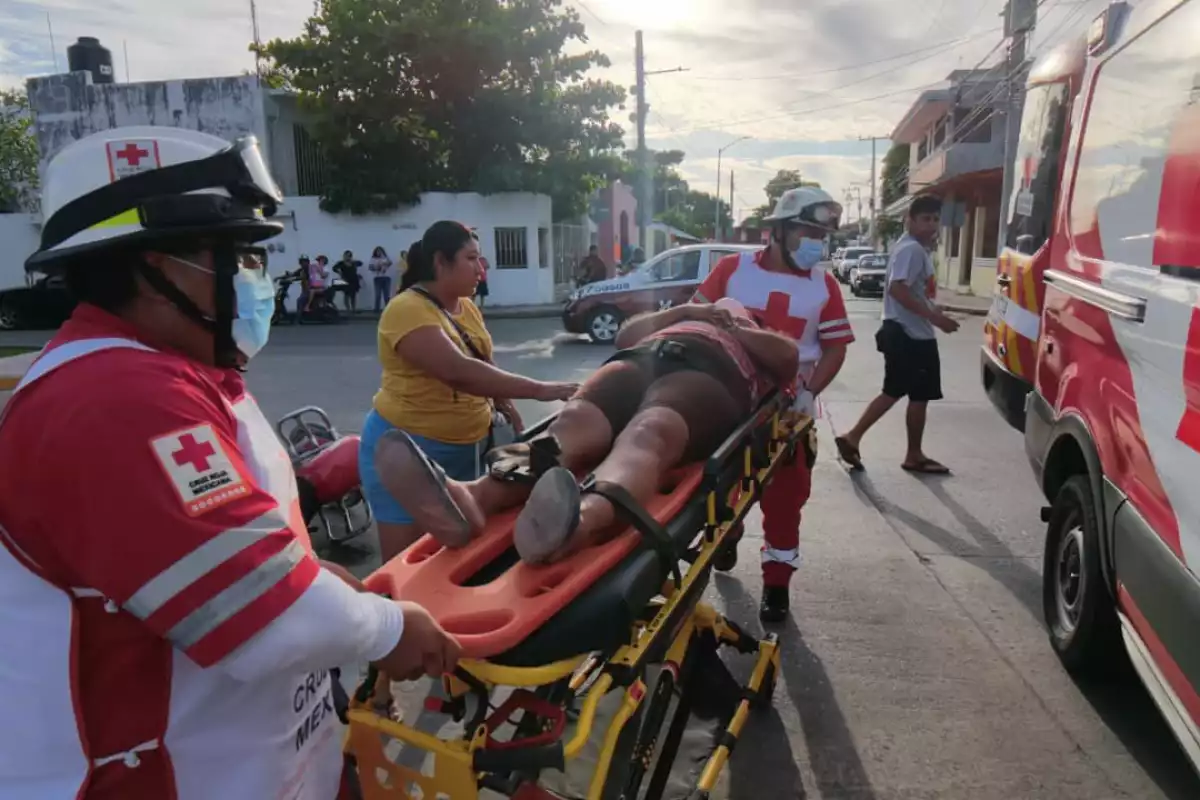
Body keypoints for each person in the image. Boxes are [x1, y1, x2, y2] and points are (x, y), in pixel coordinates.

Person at [0, 126, 459, 799]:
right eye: (237, 255)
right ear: (154, 270)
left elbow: (242, 554)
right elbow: (260, 619)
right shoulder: (113, 399)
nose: (256, 277)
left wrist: (328, 584)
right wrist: (389, 631)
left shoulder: (184, 377)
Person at [372, 297, 799, 564]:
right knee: (573, 424)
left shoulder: (751, 334)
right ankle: (476, 496)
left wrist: (733, 323)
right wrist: (688, 311)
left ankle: (580, 521)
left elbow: (788, 360)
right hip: (640, 359)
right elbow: (626, 335)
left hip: (709, 375)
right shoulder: (684, 314)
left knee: (648, 433)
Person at [360, 220, 578, 564]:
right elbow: (458, 372)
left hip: (469, 449)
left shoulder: (467, 307)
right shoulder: (407, 309)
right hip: (407, 459)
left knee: (457, 558)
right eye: (471, 258)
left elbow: (483, 363)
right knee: (407, 565)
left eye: (480, 258)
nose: (481, 268)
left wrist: (506, 407)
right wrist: (541, 390)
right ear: (440, 261)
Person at [691, 185, 853, 624]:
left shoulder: (824, 286)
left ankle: (777, 584)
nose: (816, 242)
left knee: (786, 500)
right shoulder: (732, 270)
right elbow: (696, 320)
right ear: (779, 230)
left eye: (822, 235)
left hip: (788, 411)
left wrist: (809, 392)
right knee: (716, 487)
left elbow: (835, 348)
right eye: (807, 231)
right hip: (728, 405)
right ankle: (726, 534)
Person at [835, 195, 959, 474]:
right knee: (908, 393)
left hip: (907, 332)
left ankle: (884, 445)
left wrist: (932, 309)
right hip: (910, 335)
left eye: (935, 219)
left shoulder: (911, 249)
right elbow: (897, 289)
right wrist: (935, 318)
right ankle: (864, 439)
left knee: (907, 393)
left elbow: (910, 291)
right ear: (909, 220)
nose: (931, 225)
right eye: (925, 219)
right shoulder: (912, 250)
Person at [335, 249, 363, 314]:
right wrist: (339, 272)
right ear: (344, 256)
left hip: (354, 280)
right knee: (346, 295)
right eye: (346, 255)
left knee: (353, 296)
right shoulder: (341, 263)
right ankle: (348, 309)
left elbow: (360, 263)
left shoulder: (353, 262)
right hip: (345, 280)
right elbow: (334, 268)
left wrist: (352, 261)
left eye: (349, 256)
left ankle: (353, 309)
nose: (347, 257)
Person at [369, 245, 394, 313]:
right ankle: (376, 310)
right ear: (375, 252)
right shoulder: (373, 259)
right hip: (377, 278)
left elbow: (390, 263)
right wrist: (377, 267)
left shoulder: (386, 258)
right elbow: (370, 267)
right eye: (377, 252)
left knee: (387, 295)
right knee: (378, 295)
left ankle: (388, 310)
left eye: (380, 251)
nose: (379, 253)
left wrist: (386, 263)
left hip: (386, 278)